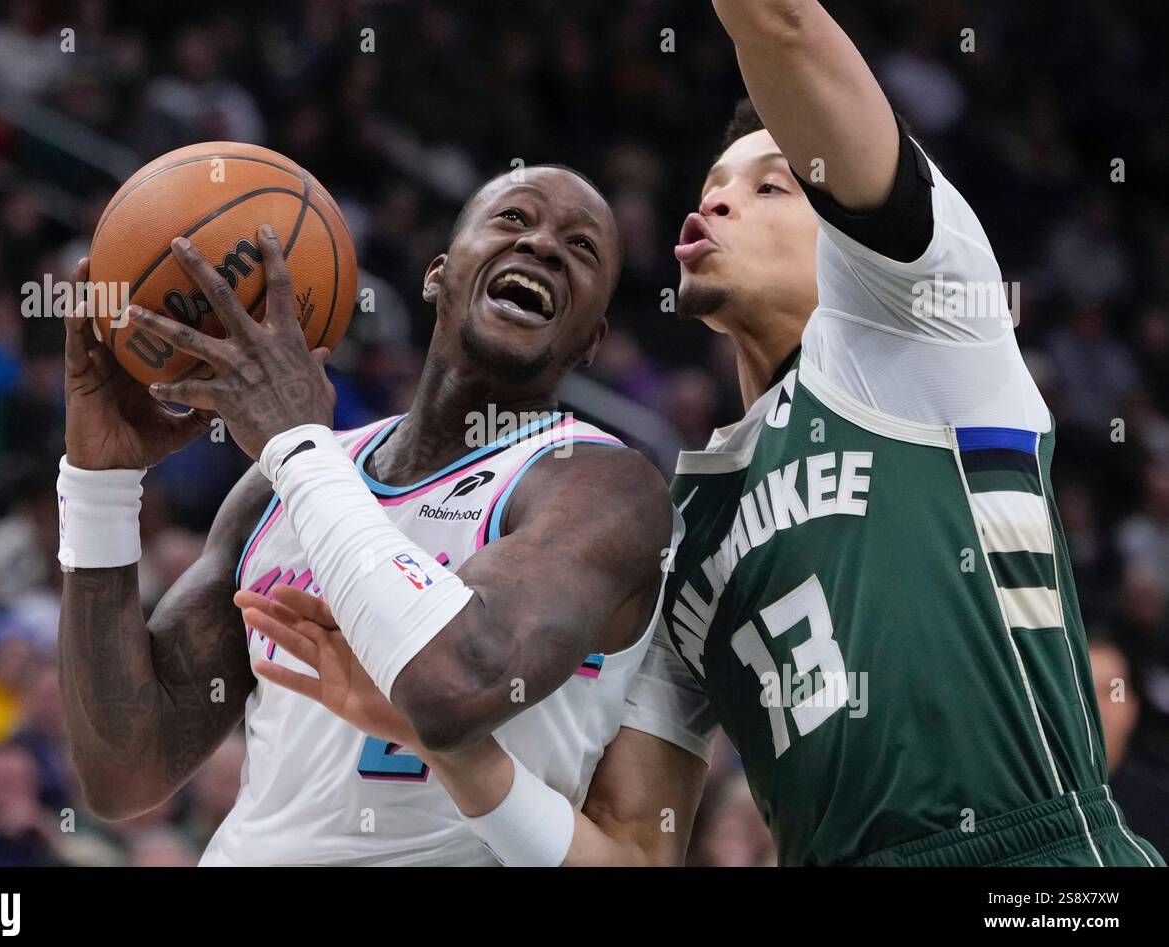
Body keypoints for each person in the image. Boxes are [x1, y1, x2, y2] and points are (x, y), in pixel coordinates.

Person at [253, 0, 1163, 867]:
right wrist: (453, 752)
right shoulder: (674, 529)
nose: (718, 203)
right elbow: (634, 852)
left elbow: (784, 24)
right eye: (712, 188)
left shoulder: (926, 330)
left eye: (773, 186)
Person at [57, 164, 685, 865]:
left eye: (582, 247)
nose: (542, 246)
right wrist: (100, 486)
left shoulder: (601, 486)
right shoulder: (277, 489)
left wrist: (298, 446)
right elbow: (125, 769)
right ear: (438, 275)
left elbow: (458, 685)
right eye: (514, 219)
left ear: (591, 340)